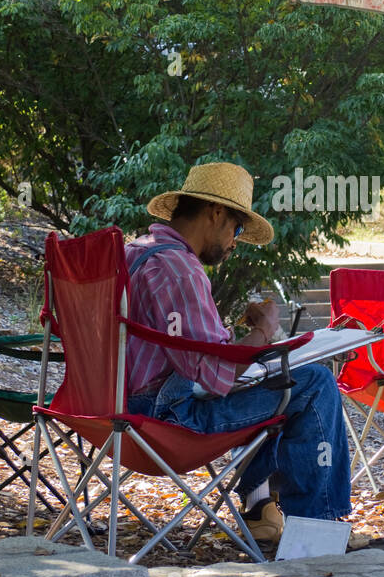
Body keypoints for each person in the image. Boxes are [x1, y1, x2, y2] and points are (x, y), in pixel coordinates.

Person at [123, 162, 351, 550]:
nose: (234, 242)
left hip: (110, 409)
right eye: (237, 229)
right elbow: (215, 374)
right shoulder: (180, 269)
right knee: (313, 383)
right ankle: (317, 532)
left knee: (278, 386)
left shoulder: (134, 252)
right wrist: (263, 330)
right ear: (215, 214)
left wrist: (239, 341)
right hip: (164, 418)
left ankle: (261, 507)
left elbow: (186, 350)